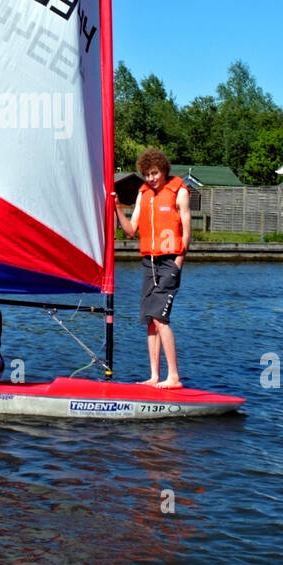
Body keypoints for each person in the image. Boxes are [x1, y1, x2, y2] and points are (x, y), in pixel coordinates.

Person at [114, 149, 191, 388]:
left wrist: (178, 264)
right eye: (147, 174)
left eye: (155, 173)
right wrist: (117, 207)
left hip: (170, 262)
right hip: (149, 263)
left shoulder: (180, 193)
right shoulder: (143, 195)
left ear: (164, 171)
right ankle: (155, 376)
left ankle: (174, 377)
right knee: (150, 320)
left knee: (160, 318)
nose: (151, 178)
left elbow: (187, 233)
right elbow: (130, 230)